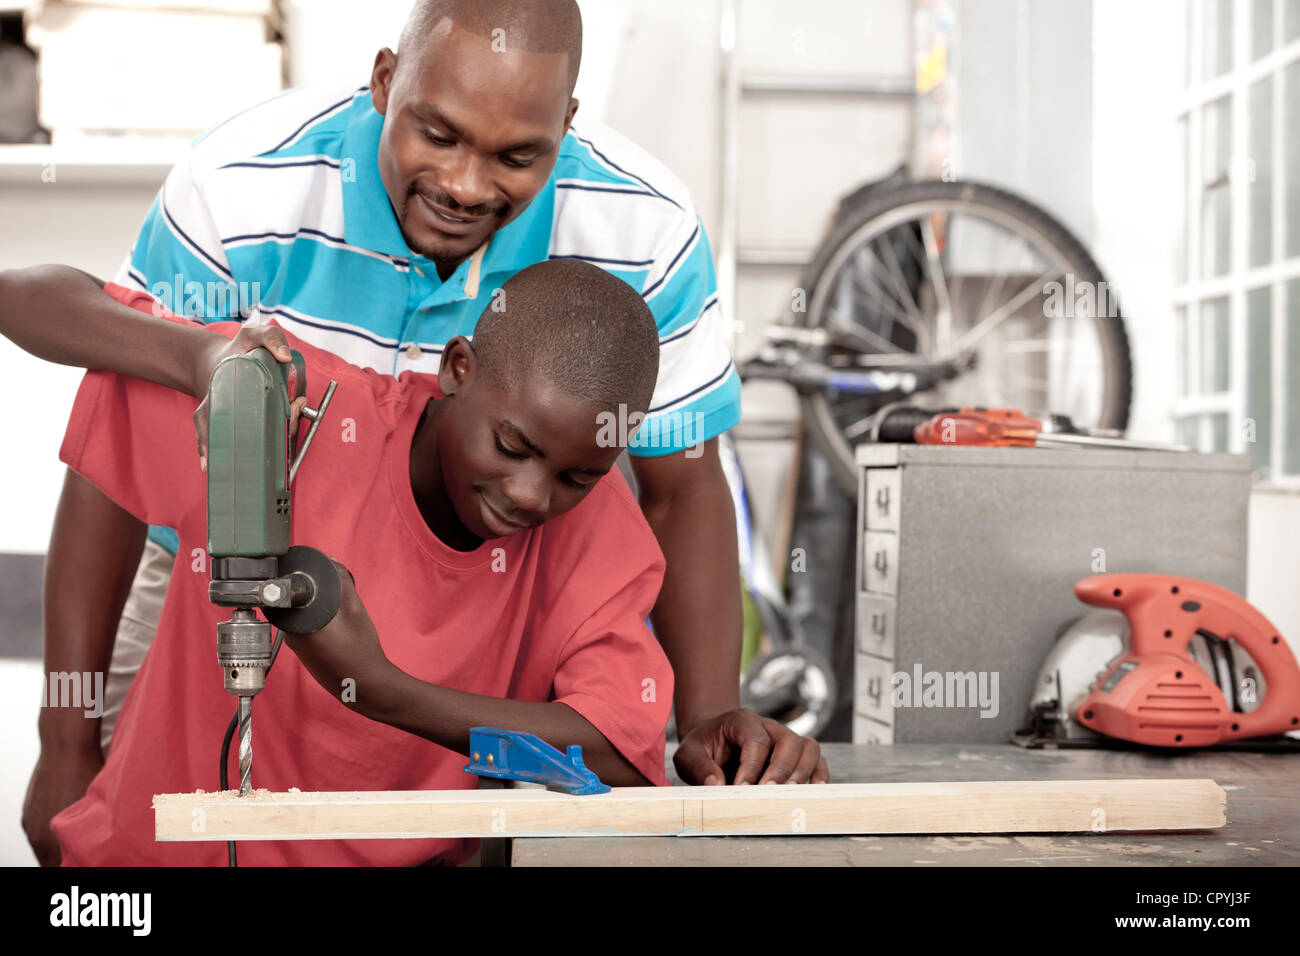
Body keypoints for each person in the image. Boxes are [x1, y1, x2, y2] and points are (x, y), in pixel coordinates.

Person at [26, 0, 827, 865]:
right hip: (216, 556)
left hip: (485, 627)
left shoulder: (646, 233)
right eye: (437, 135)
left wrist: (708, 720)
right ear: (383, 82)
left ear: (567, 123)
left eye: (517, 155)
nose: (467, 185)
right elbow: (106, 451)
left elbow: (683, 489)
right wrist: (65, 740)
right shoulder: (243, 182)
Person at [5, 258, 678, 865]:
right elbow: (26, 295)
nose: (533, 494)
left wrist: (381, 690)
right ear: (458, 369)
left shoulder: (593, 526)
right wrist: (205, 358)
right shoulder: (294, 410)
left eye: (577, 477)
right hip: (151, 860)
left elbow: (615, 751)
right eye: (510, 445)